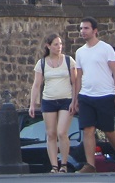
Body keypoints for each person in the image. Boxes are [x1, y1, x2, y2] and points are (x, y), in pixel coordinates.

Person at [70, 17, 115, 173]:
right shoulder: (80, 52)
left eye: (86, 28)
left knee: (108, 130)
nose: (82, 31)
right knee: (88, 129)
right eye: (81, 29)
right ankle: (90, 165)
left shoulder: (105, 48)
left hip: (105, 94)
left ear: (95, 30)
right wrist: (75, 99)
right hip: (86, 95)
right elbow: (78, 77)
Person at [30, 32, 75, 173]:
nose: (59, 47)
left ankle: (64, 164)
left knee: (62, 132)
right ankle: (54, 165)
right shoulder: (42, 63)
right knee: (51, 134)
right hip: (48, 100)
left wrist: (75, 100)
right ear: (48, 46)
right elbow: (36, 84)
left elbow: (75, 82)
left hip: (66, 99)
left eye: (60, 44)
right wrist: (32, 103)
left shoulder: (69, 61)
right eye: (56, 44)